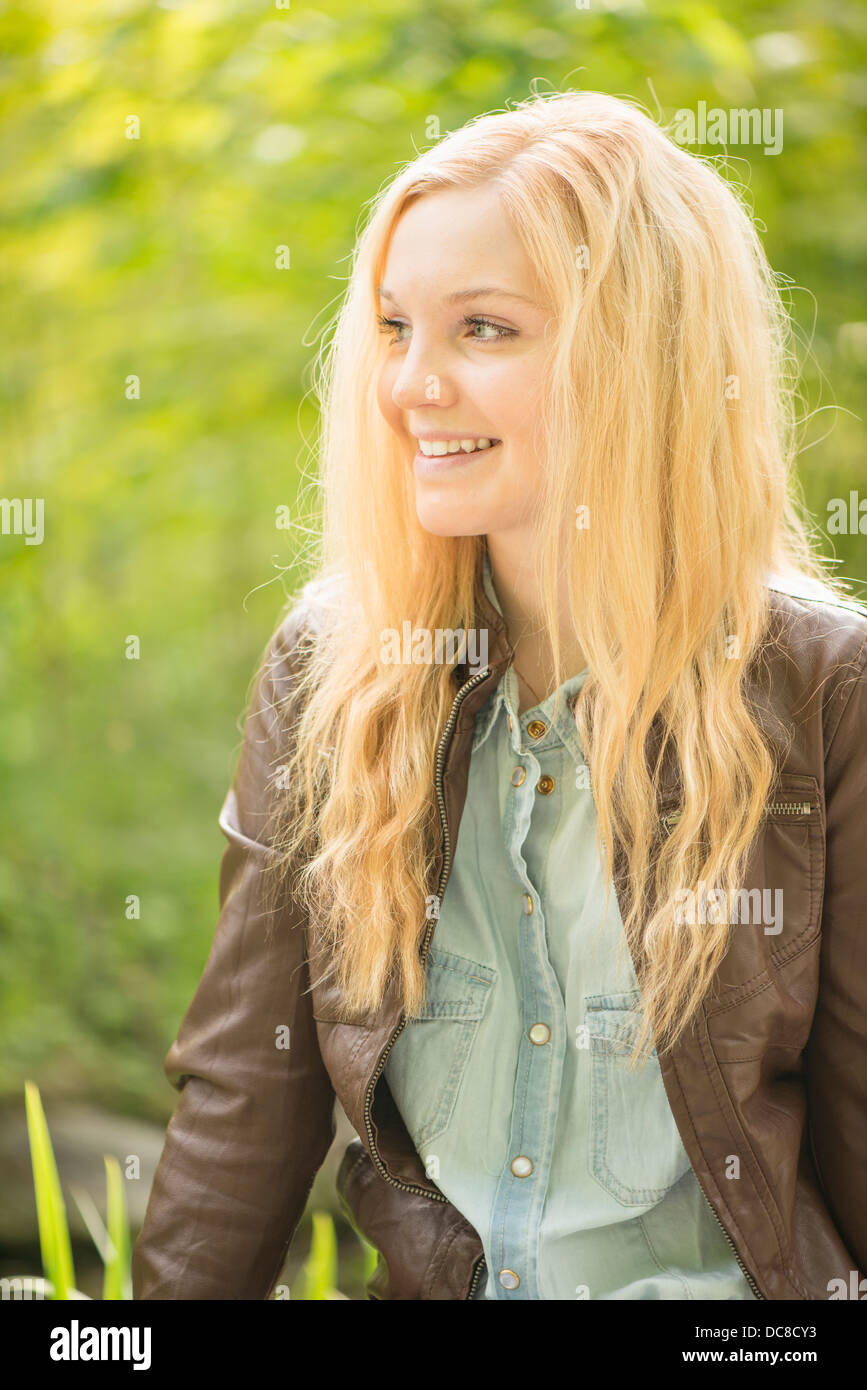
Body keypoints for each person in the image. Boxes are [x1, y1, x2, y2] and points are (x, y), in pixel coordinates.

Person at [132, 90, 867, 1301]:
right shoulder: (331, 672)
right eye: (394, 327)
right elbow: (241, 1115)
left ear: (642, 359)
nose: (411, 385)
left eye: (484, 329)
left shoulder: (826, 689)